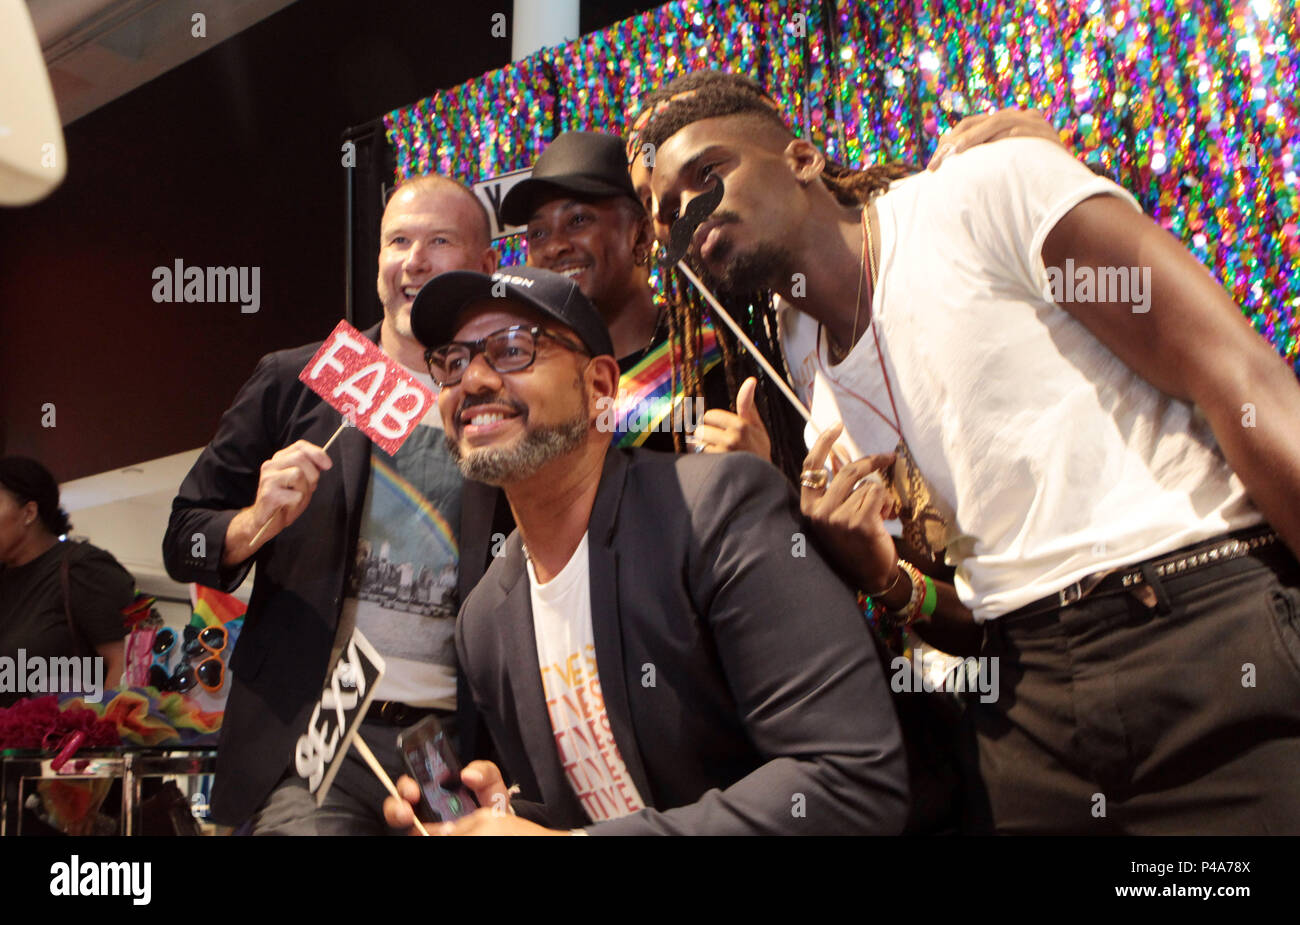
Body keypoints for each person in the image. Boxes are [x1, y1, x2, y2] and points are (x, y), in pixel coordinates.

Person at [630, 70, 1300, 834]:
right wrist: (882, 576)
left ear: (804, 158)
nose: (688, 215)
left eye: (707, 175)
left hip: (1197, 620)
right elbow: (976, 616)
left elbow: (1241, 377)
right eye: (665, 214)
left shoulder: (983, 190)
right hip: (1027, 699)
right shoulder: (805, 357)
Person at [381, 264, 909, 835]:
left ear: (601, 390)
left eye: (513, 349)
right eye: (452, 363)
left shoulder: (716, 510)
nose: (474, 380)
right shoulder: (484, 619)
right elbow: (603, 805)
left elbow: (851, 781)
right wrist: (507, 815)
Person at [162, 174, 505, 835]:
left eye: (440, 241)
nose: (415, 260)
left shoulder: (501, 402)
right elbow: (184, 537)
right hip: (315, 734)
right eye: (398, 241)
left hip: (448, 748)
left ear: (487, 264)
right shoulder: (299, 379)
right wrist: (252, 521)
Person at [500, 130, 779, 462]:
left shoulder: (714, 363)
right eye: (538, 233)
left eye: (578, 220)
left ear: (643, 235)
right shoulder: (532, 379)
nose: (554, 246)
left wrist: (759, 472)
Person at [0, 457, 131, 707]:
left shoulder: (82, 568)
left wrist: (98, 731)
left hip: (63, 742)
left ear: (29, 513)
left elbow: (125, 662)